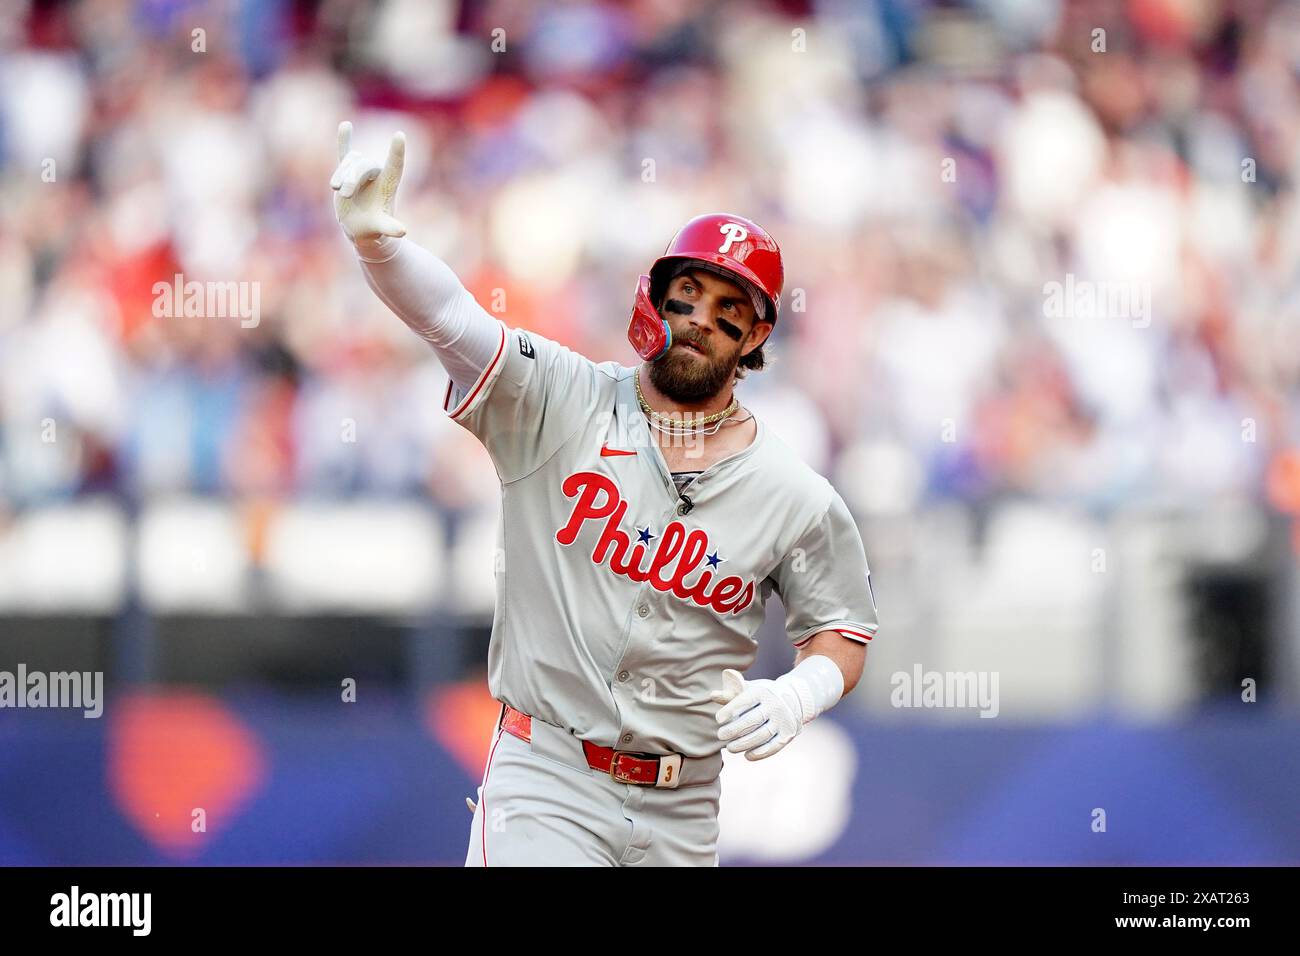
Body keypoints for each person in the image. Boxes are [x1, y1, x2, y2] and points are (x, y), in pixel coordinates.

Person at [330, 122, 879, 866]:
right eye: (689, 292)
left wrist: (798, 694)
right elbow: (455, 323)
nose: (702, 320)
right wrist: (380, 247)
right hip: (547, 774)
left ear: (755, 339)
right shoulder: (562, 396)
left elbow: (842, 629)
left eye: (730, 309)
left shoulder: (790, 490)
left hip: (685, 807)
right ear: (655, 297)